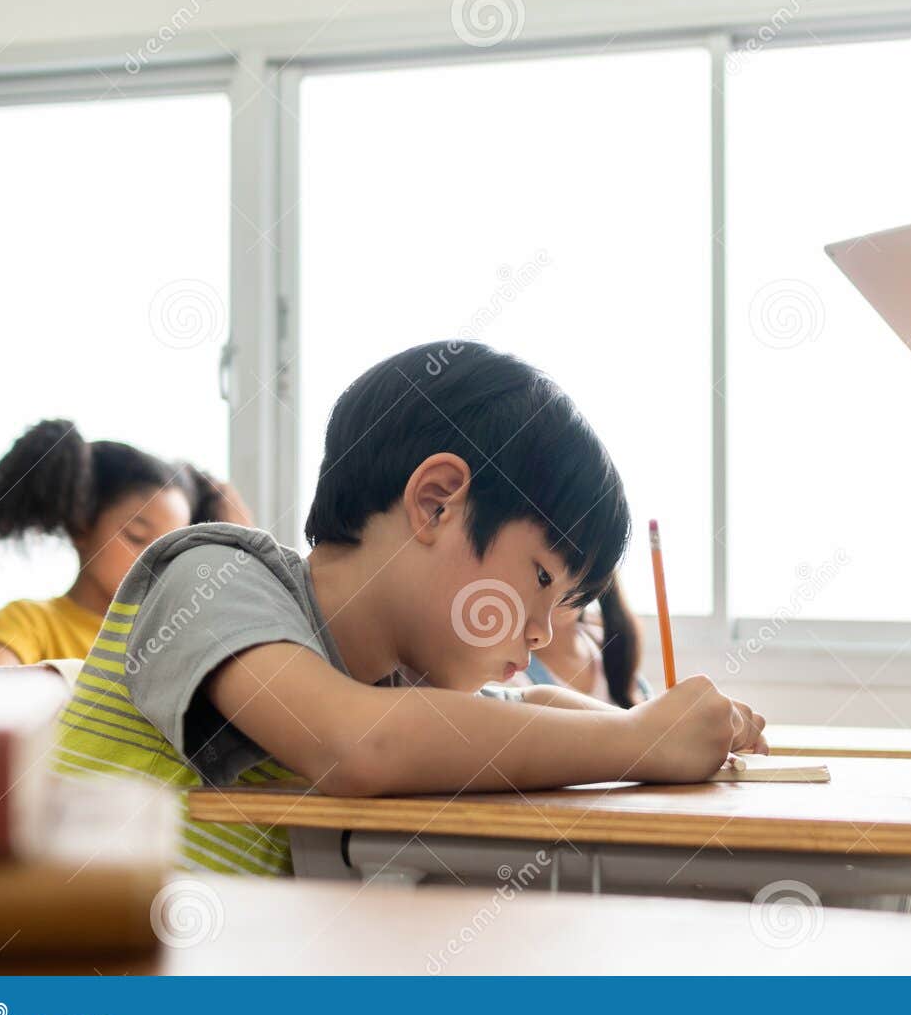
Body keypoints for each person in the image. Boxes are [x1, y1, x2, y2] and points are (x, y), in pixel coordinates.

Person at [51, 341, 765, 874]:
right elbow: (358, 746)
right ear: (436, 502)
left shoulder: (392, 681)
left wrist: (671, 728)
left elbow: (530, 711)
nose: (544, 633)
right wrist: (641, 741)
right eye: (542, 578)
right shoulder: (213, 578)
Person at [0, 419, 248, 665]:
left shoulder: (175, 639)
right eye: (137, 537)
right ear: (82, 527)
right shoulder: (29, 623)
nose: (157, 561)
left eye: (172, 548)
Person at [520, 579, 651, 707]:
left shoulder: (607, 642)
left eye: (578, 567)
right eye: (543, 575)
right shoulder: (513, 675)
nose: (564, 580)